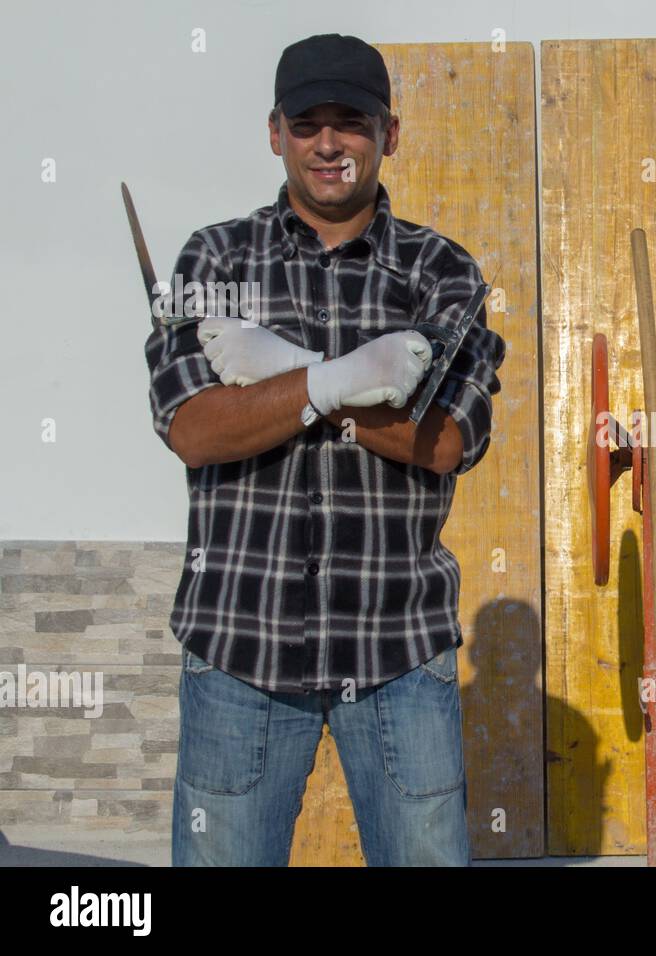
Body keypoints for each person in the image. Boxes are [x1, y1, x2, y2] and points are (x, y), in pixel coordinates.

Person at [144, 33, 506, 866]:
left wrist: (289, 376)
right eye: (309, 123)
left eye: (353, 122)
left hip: (398, 652)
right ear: (276, 132)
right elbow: (195, 431)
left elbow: (445, 439)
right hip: (241, 645)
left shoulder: (439, 270)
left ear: (390, 134)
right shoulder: (217, 260)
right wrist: (343, 380)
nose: (330, 143)